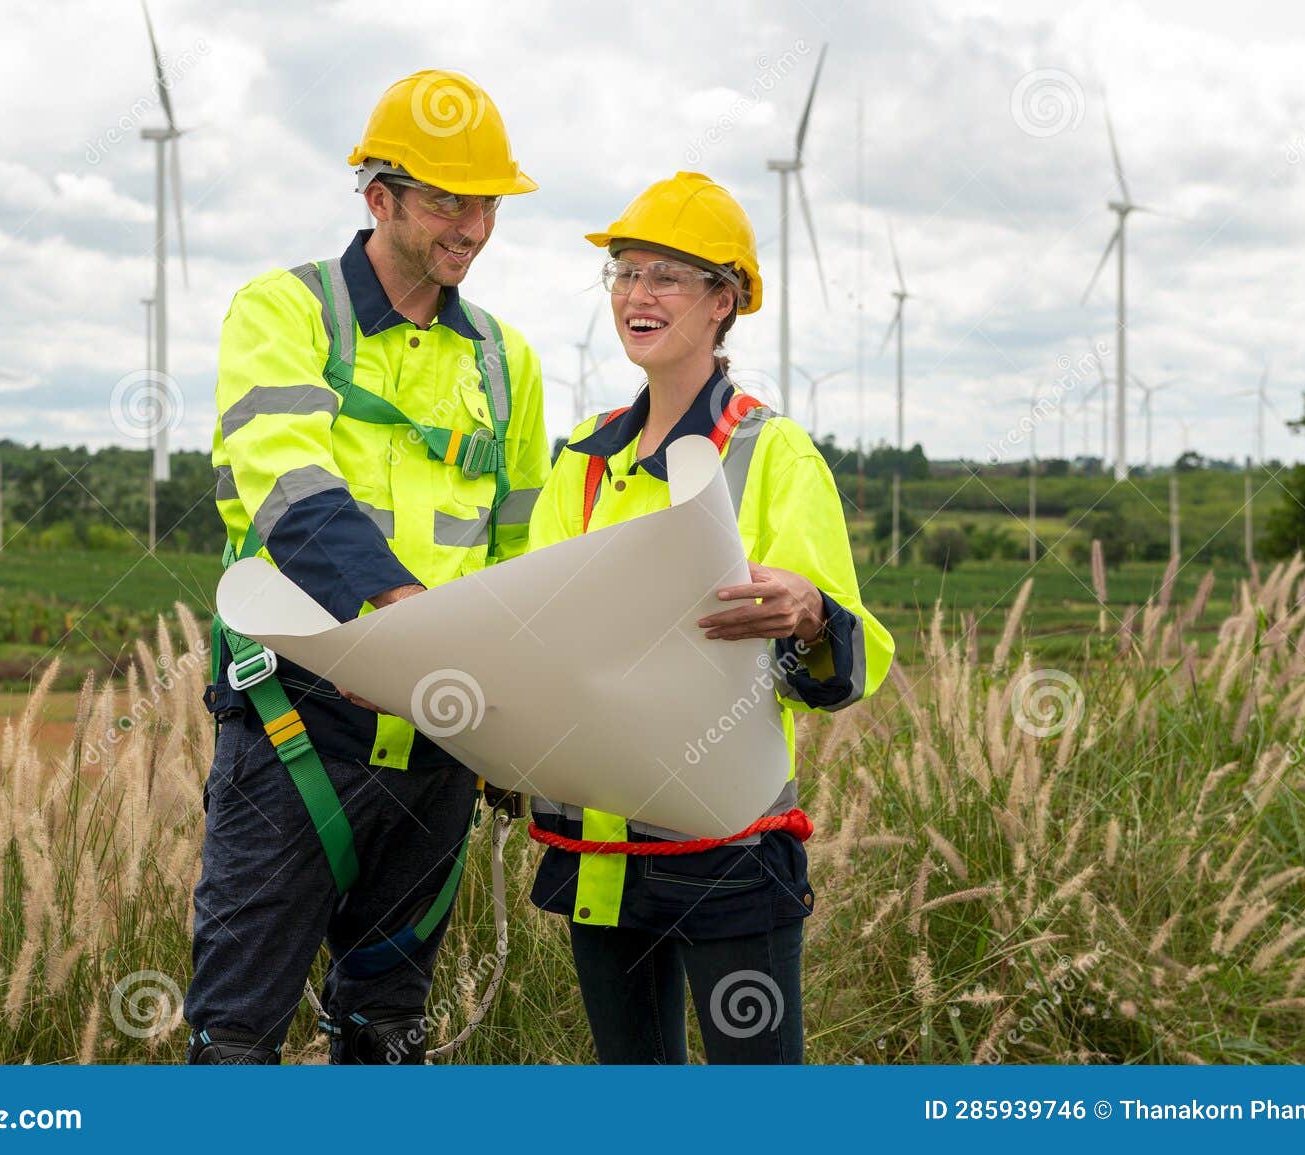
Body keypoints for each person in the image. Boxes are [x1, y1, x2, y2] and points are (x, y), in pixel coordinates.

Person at [185, 70, 548, 1064]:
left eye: (487, 203)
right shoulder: (283, 311)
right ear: (379, 198)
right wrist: (393, 614)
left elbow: (521, 549)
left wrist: (521, 715)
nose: (473, 227)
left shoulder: (506, 360)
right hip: (299, 723)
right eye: (446, 201)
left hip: (441, 738)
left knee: (389, 1028)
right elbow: (286, 482)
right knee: (237, 1035)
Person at [524, 172, 894, 1064]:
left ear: (723, 300)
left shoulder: (773, 453)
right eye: (624, 272)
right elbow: (534, 626)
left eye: (665, 276)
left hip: (727, 845)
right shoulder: (581, 460)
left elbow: (848, 659)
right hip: (601, 844)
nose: (637, 295)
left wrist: (810, 614)